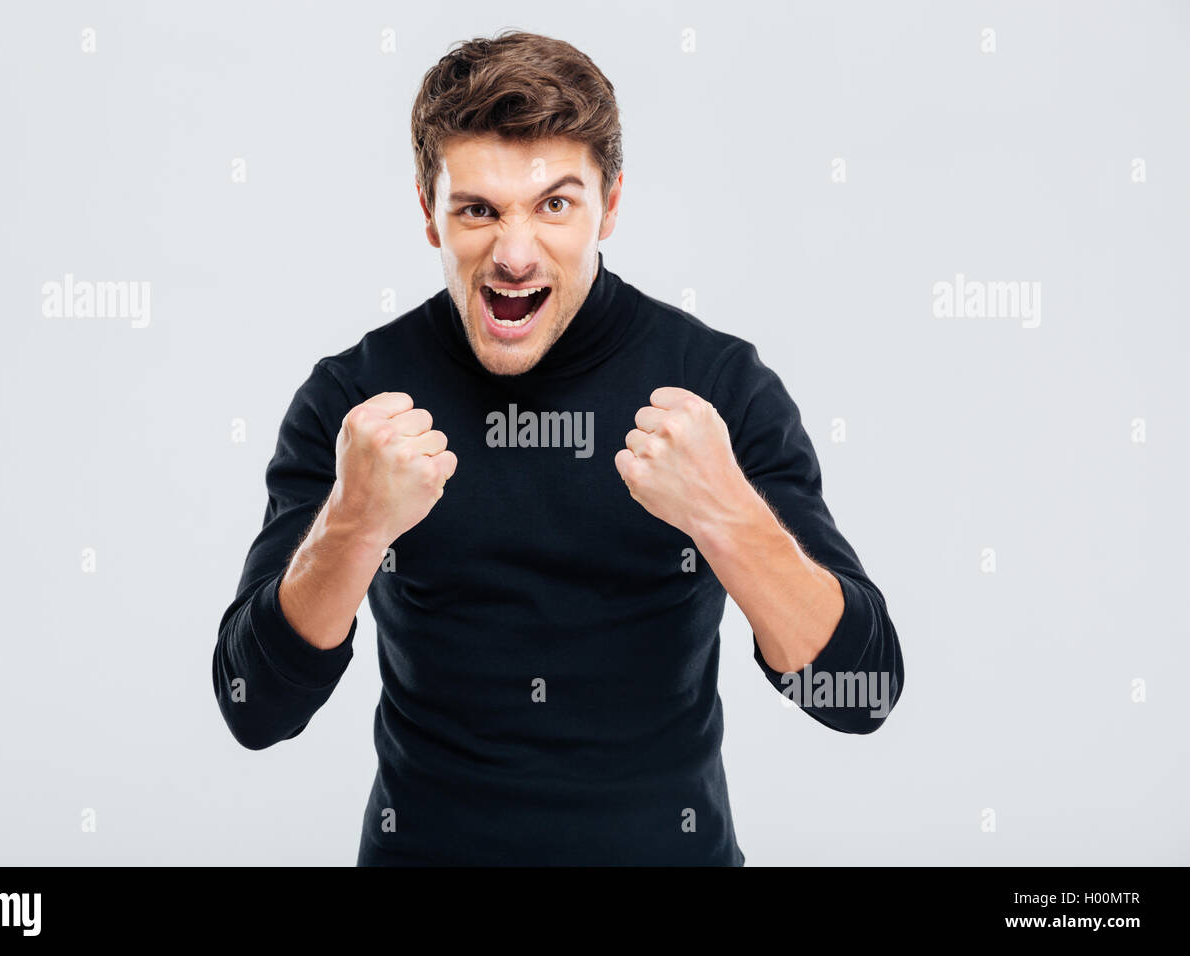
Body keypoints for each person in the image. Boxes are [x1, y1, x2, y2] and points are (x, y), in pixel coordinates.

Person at [213, 30, 904, 866]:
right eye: (477, 209)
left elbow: (861, 694)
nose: (513, 253)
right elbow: (254, 709)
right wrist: (353, 525)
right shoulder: (355, 399)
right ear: (429, 215)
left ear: (610, 207)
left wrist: (725, 516)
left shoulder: (716, 385)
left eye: (554, 204)